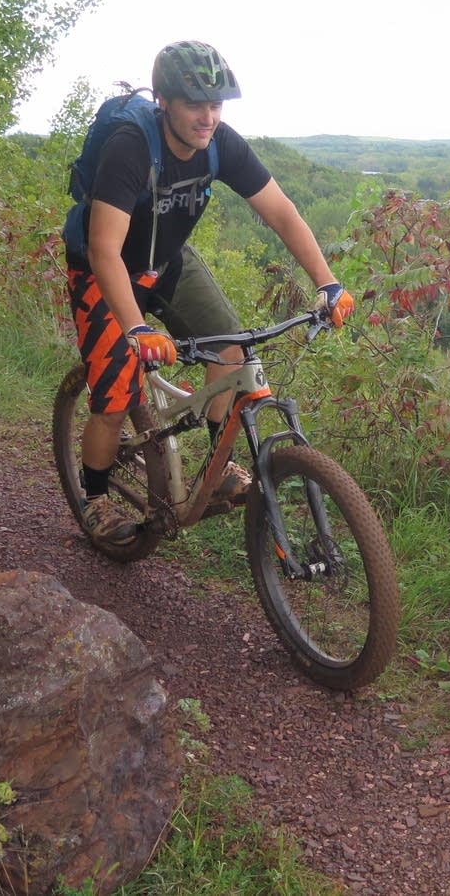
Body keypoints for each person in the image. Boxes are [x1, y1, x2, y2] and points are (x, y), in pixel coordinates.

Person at [65, 40, 354, 548]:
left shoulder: (221, 144)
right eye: (196, 104)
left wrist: (327, 283)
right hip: (104, 271)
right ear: (164, 102)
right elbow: (104, 250)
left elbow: (281, 213)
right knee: (112, 400)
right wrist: (136, 328)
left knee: (233, 352)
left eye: (217, 105)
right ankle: (94, 498)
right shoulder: (130, 148)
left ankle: (213, 471)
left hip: (168, 262)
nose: (208, 117)